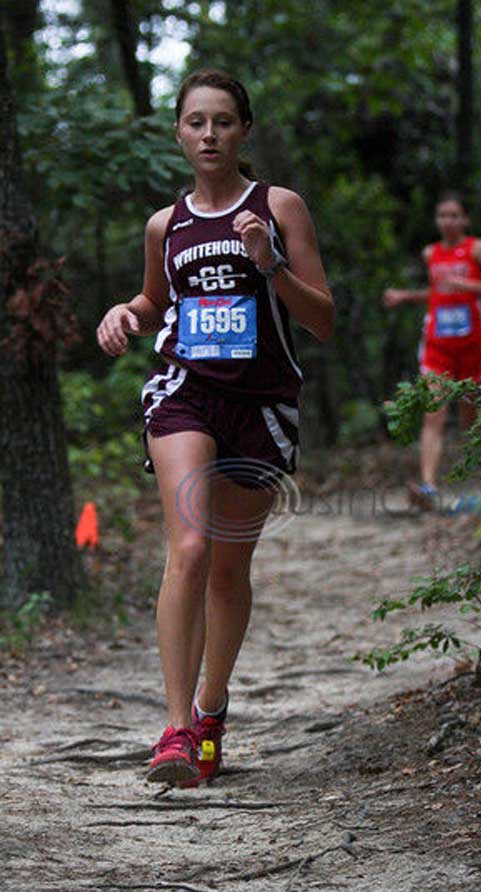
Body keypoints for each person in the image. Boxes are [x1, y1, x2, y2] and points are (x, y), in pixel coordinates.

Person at [96, 69, 334, 787]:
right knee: (191, 544)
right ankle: (173, 731)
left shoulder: (279, 206)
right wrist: (125, 315)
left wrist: (270, 266)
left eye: (223, 122)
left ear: (244, 131)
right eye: (196, 122)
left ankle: (210, 711)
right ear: (178, 132)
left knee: (228, 566)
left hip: (260, 402)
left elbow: (321, 319)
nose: (209, 134)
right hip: (185, 394)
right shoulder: (163, 226)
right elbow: (150, 299)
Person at [383, 192, 481, 509]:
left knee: (470, 420)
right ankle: (428, 487)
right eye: (443, 215)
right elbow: (437, 293)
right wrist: (405, 296)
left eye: (455, 215)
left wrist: (468, 286)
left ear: (465, 219)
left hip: (472, 346)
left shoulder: (477, 248)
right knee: (434, 412)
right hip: (437, 347)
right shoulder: (432, 253)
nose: (448, 221)